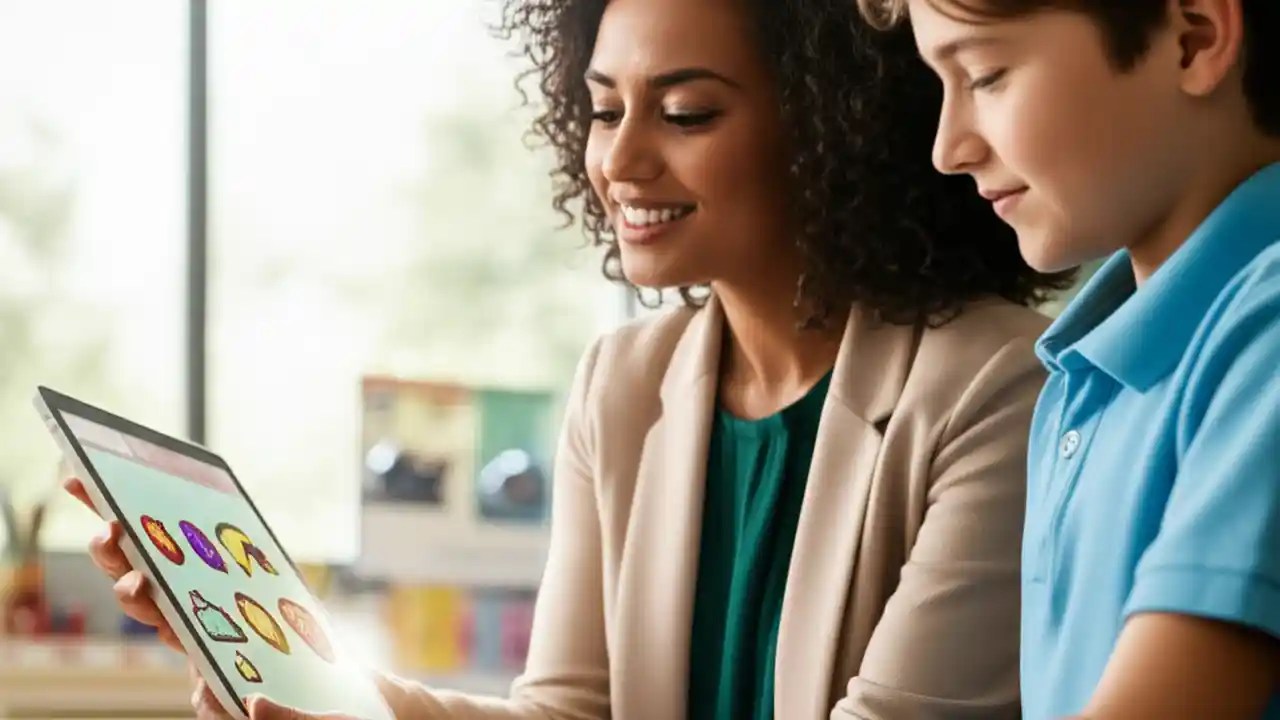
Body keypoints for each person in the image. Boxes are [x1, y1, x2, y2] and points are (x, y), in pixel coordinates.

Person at [67, 0, 1073, 717]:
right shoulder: (622, 385)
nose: (620, 160)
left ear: (831, 127)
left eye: (685, 113)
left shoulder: (997, 386)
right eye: (602, 109)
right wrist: (324, 689)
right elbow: (567, 712)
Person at [857, 0, 1280, 717]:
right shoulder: (1080, 372)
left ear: (1194, 39)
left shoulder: (1265, 338)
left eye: (985, 76)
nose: (948, 148)